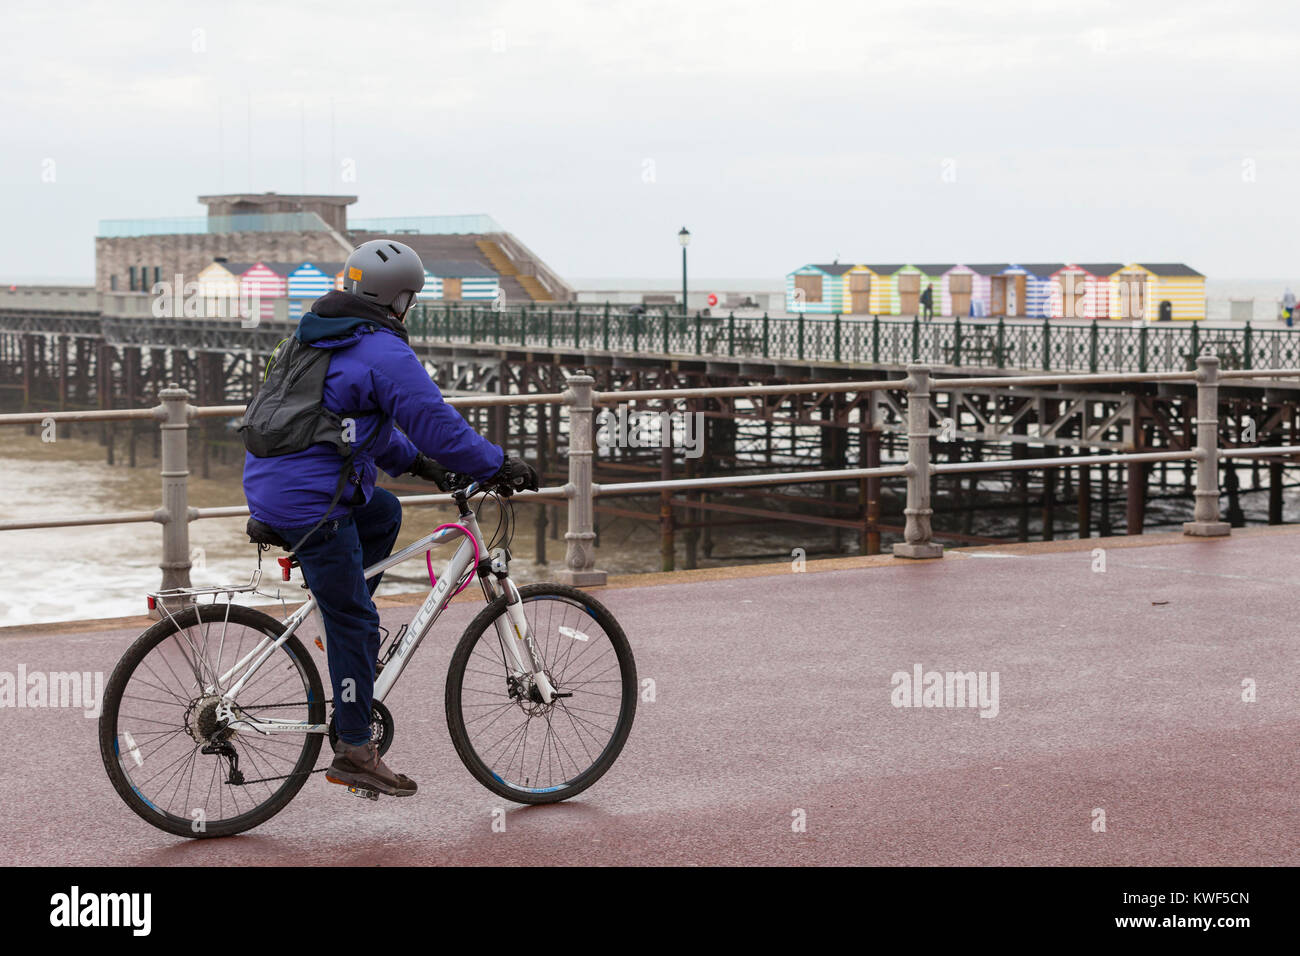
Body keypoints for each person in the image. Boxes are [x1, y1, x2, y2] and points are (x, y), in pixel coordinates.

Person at [242, 238, 538, 797]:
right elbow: (437, 423)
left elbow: (358, 430)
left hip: (278, 484)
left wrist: (423, 466)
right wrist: (496, 464)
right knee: (354, 618)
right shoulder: (381, 350)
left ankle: (340, 625)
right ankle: (354, 748)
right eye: (412, 298)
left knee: (383, 511)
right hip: (312, 500)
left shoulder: (320, 336)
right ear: (397, 298)